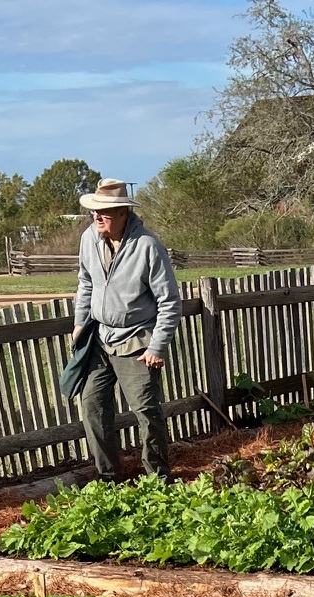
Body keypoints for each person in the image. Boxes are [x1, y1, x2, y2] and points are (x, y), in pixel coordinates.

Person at [72, 178, 182, 479]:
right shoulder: (88, 239)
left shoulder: (147, 245)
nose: (97, 217)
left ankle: (157, 477)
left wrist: (157, 346)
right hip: (100, 337)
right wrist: (80, 322)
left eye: (105, 212)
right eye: (95, 211)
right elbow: (85, 283)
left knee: (146, 412)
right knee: (92, 406)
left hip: (137, 342)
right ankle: (108, 477)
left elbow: (169, 300)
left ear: (123, 213)